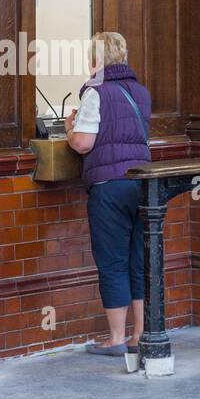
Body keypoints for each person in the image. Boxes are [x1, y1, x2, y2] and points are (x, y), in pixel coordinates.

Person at [65, 32, 152, 356]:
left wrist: (69, 129)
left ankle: (117, 338)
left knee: (113, 261)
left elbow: (84, 143)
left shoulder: (95, 92)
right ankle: (141, 334)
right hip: (142, 184)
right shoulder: (141, 92)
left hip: (109, 186)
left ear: (95, 61)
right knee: (138, 260)